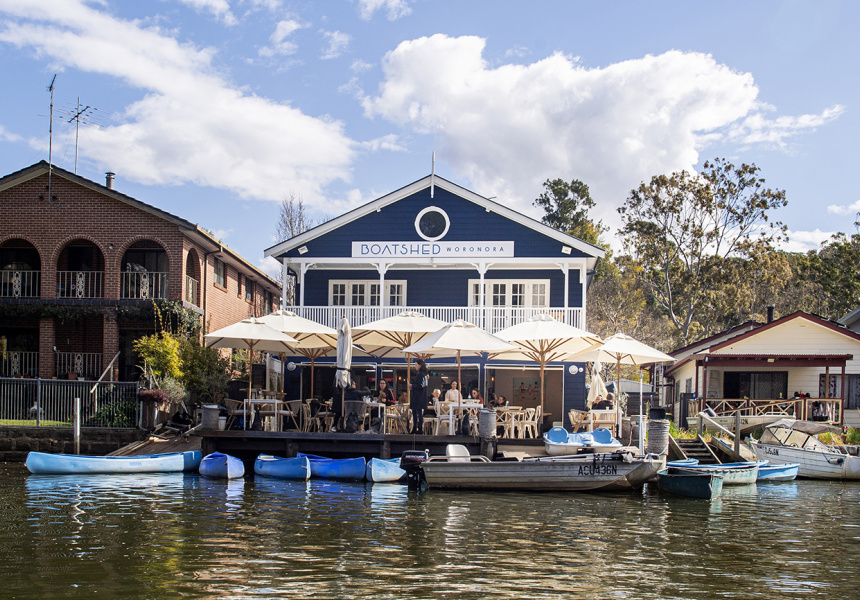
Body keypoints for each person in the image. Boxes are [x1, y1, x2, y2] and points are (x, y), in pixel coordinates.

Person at [410, 358, 429, 434]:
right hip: (418, 396)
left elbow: (421, 385)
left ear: (420, 365)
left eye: (416, 365)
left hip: (419, 397)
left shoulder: (421, 374)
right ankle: (416, 427)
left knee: (418, 412)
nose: (415, 366)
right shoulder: (422, 374)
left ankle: (419, 428)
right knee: (416, 412)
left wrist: (412, 386)